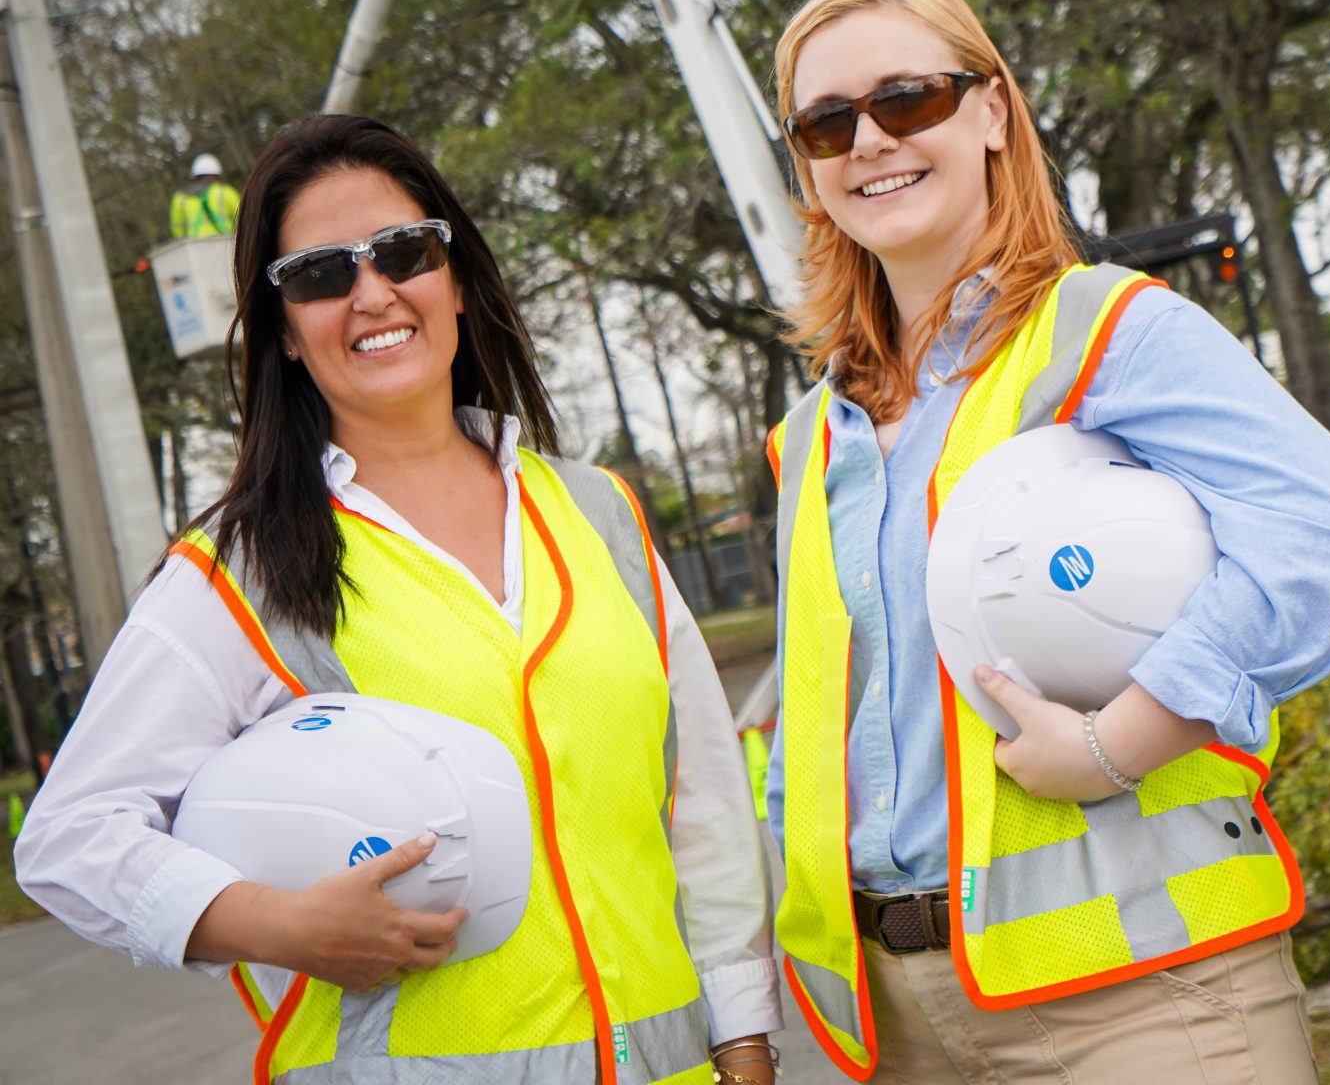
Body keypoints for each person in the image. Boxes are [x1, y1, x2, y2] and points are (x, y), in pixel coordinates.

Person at [17, 114, 782, 1085]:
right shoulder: (237, 569)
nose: (371, 289)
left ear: (455, 276)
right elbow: (70, 834)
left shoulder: (599, 509)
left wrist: (745, 1040)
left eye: (403, 251)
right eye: (320, 273)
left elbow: (702, 800)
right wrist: (279, 923)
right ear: (285, 331)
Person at [763, 0, 1330, 1084]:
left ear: (992, 110)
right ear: (807, 168)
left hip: (1147, 1005)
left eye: (907, 99)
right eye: (825, 122)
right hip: (880, 1025)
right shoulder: (813, 434)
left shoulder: (1106, 327)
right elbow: (816, 735)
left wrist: (1124, 741)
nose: (869, 140)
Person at [171, 151, 241, 238]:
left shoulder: (180, 197)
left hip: (195, 247)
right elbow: (243, 218)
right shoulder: (226, 191)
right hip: (225, 242)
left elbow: (177, 231)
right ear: (215, 175)